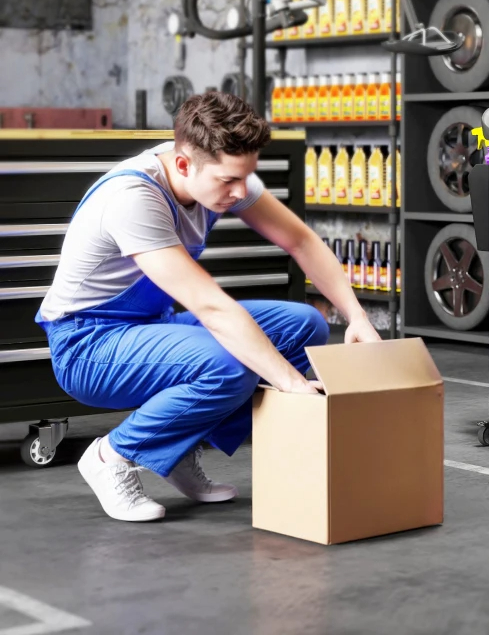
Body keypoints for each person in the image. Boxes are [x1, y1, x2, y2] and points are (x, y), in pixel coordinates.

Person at [35, 91, 380, 522]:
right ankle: (112, 456)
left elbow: (301, 240)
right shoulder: (133, 198)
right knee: (232, 363)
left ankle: (176, 449)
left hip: (150, 326)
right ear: (183, 164)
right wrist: (290, 383)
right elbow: (211, 307)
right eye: (228, 182)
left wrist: (357, 317)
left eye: (246, 177)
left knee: (305, 326)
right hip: (87, 345)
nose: (241, 192)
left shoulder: (219, 172)